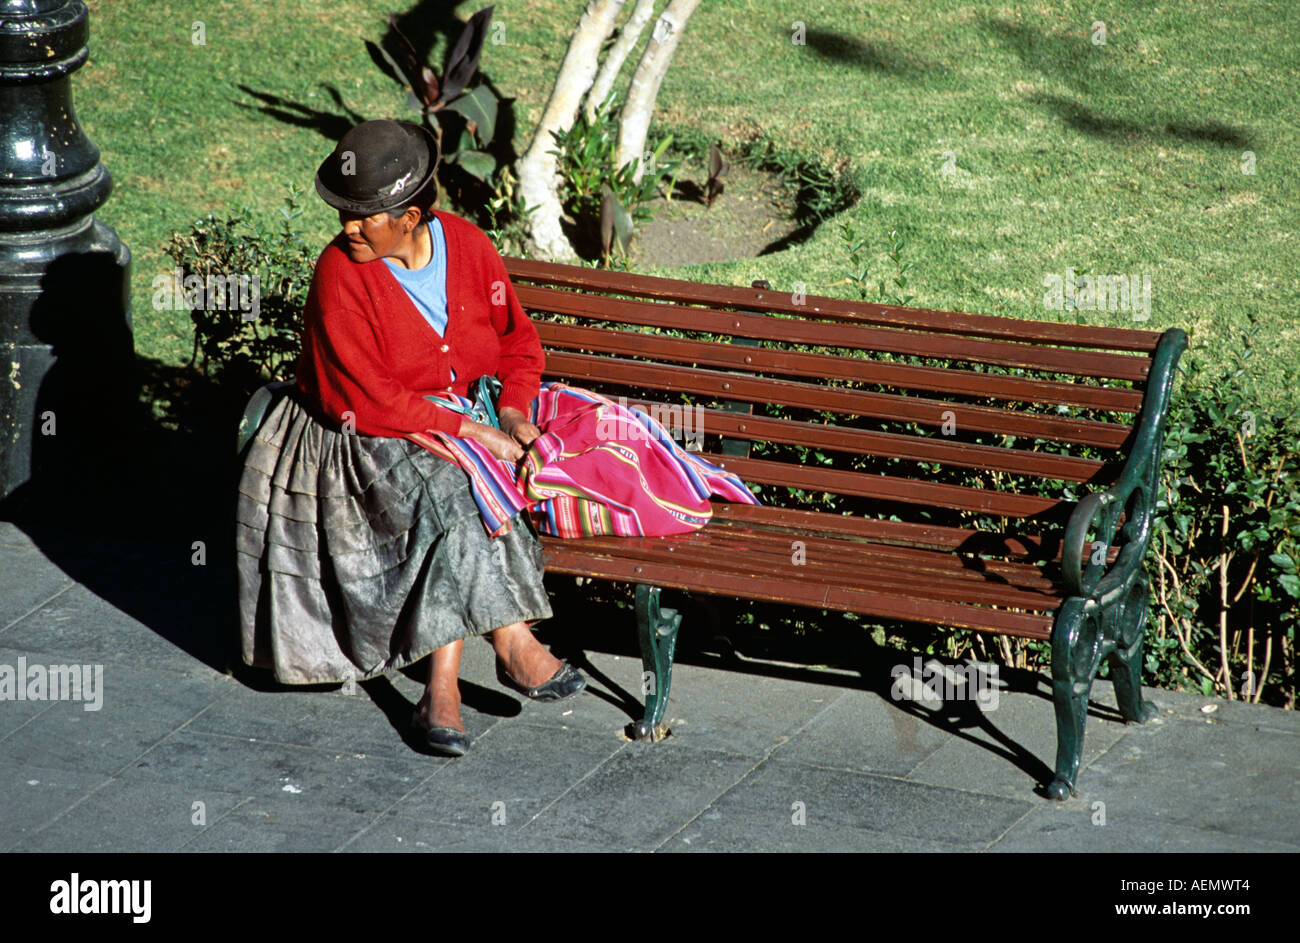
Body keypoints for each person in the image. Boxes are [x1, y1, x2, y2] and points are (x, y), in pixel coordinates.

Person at [236, 119, 585, 758]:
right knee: (452, 489)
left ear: (414, 216)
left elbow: (516, 341)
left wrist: (509, 411)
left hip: (459, 430)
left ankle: (440, 687)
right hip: (351, 440)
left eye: (366, 216)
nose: (348, 227)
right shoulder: (341, 273)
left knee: (457, 482)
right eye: (344, 212)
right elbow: (363, 399)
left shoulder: (471, 247)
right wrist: (467, 427)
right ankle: (509, 641)